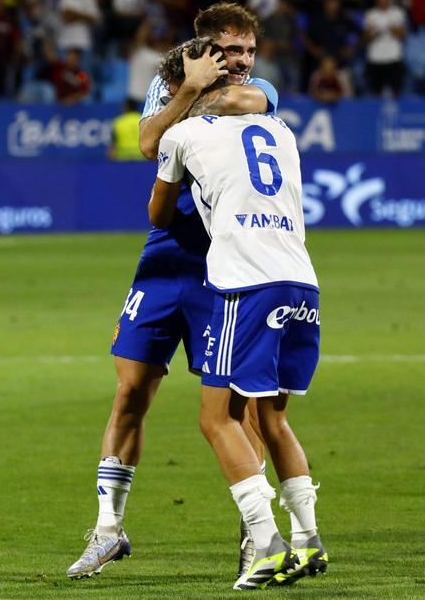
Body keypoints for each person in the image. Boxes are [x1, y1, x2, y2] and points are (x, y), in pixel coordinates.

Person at [68, 3, 279, 580]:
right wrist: (185, 91)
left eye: (247, 51)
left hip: (228, 267)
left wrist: (186, 94)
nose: (240, 63)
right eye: (229, 51)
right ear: (203, 48)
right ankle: (108, 529)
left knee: (240, 405)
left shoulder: (260, 91)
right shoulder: (168, 86)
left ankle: (256, 533)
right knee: (130, 389)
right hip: (163, 262)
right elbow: (145, 144)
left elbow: (238, 104)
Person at [150, 37, 327, 590]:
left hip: (245, 285)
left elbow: (159, 215)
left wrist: (179, 124)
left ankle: (266, 543)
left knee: (215, 418)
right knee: (272, 418)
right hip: (302, 281)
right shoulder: (281, 130)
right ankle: (308, 540)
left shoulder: (181, 133)